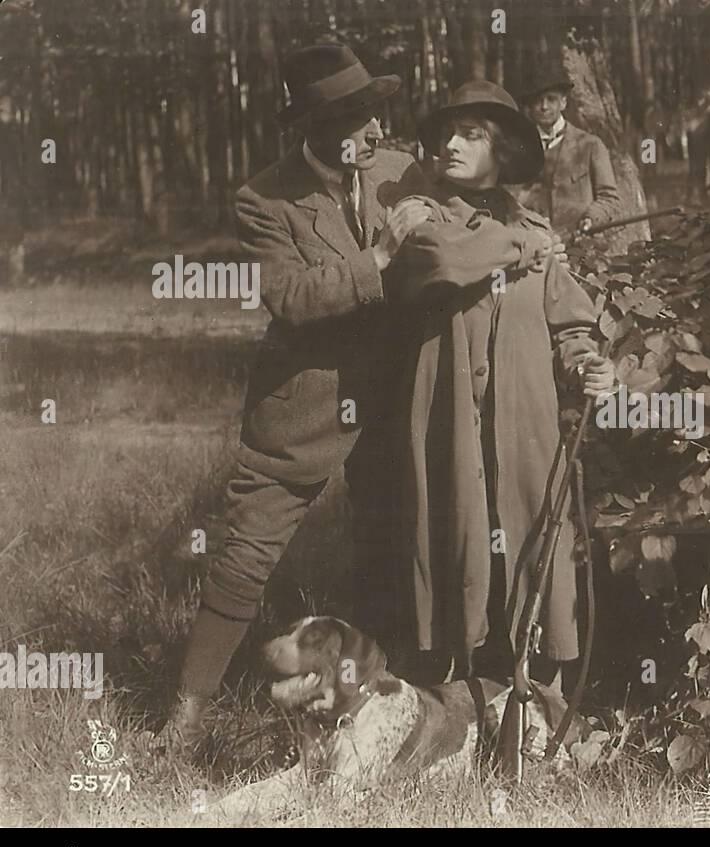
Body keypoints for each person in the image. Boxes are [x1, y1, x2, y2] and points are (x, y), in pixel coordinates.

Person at [164, 46, 559, 754]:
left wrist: (527, 242)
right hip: (305, 406)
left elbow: (479, 212)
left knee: (394, 545)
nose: (371, 129)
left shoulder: (399, 169)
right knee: (246, 551)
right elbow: (289, 296)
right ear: (312, 126)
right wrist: (377, 259)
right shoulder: (265, 197)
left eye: (373, 111)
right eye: (351, 117)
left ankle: (387, 704)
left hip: (401, 399)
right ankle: (186, 717)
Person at [390, 80, 616, 687]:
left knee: (532, 545)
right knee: (452, 547)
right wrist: (525, 246)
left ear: (506, 151)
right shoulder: (418, 215)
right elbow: (441, 260)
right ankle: (449, 701)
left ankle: (536, 699)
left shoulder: (535, 226)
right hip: (447, 426)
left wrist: (587, 362)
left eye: (471, 134)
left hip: (525, 429)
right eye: (445, 135)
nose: (450, 145)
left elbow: (569, 322)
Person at [512, 65, 621, 236]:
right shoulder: (519, 149)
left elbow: (609, 199)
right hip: (535, 245)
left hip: (581, 244)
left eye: (551, 99)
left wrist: (591, 218)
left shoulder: (590, 145)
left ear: (563, 102)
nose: (544, 106)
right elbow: (512, 200)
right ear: (530, 106)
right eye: (538, 100)